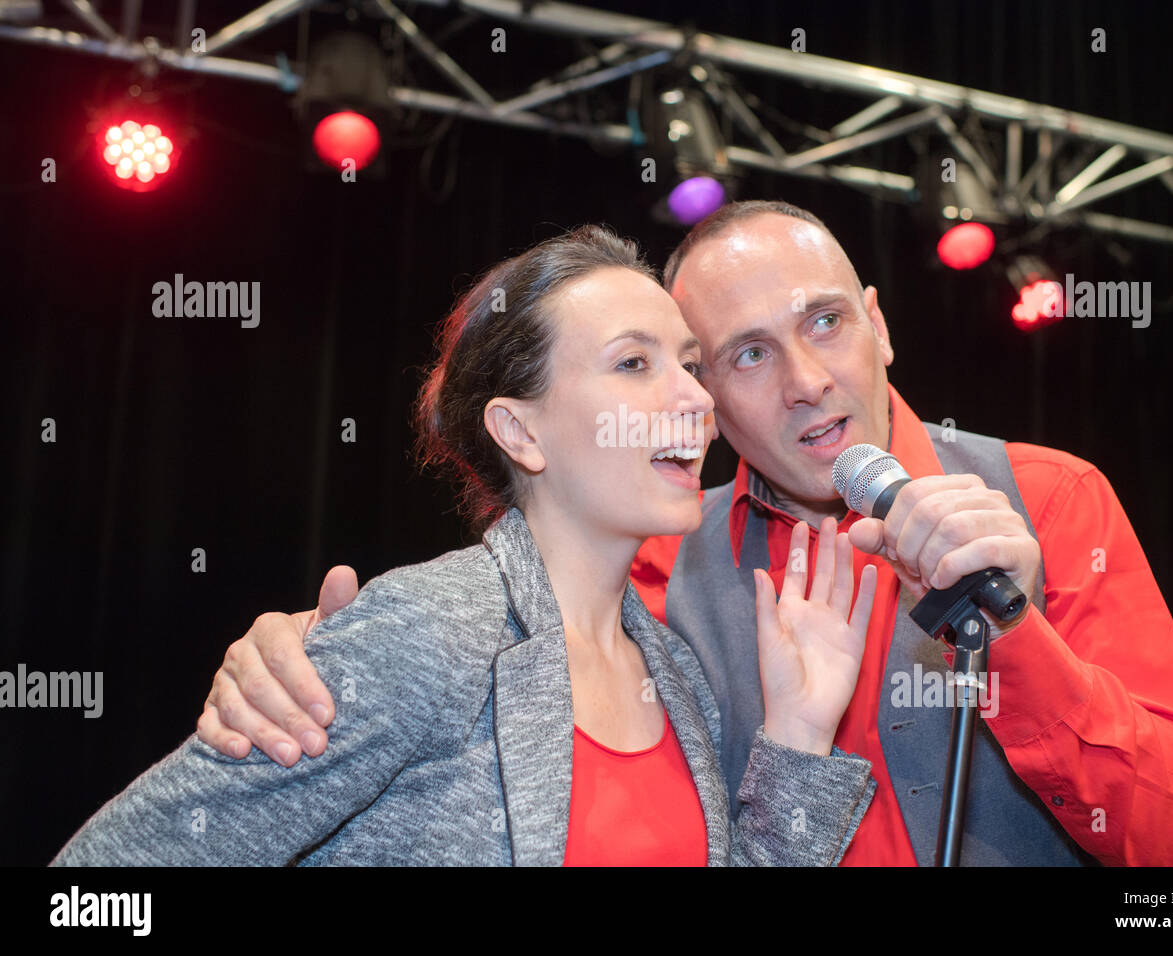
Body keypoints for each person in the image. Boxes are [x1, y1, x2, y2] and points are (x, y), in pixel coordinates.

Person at [197, 201, 1173, 866]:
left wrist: (1014, 642)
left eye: (825, 320)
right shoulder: (647, 560)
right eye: (744, 354)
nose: (806, 380)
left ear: (879, 320)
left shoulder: (1046, 500)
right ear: (703, 395)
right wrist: (299, 658)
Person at [51, 225, 880, 867]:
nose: (694, 398)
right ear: (520, 431)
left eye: (691, 364)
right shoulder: (430, 633)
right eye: (634, 363)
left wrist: (801, 736)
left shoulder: (677, 674)